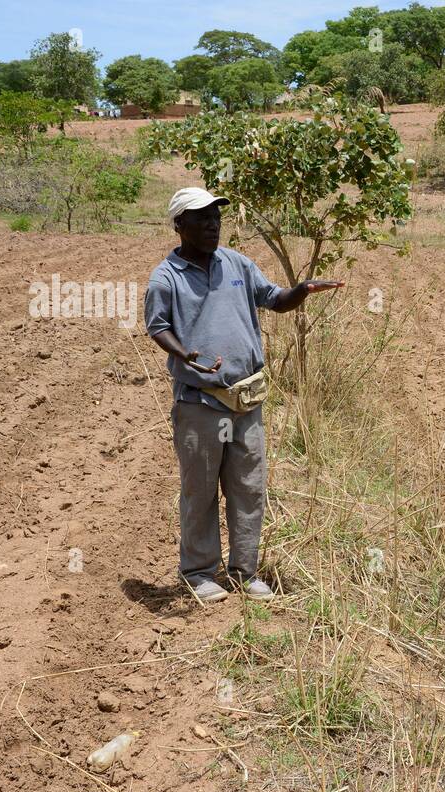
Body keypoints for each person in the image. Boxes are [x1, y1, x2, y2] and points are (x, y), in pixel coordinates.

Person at [143, 187, 342, 603]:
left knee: (248, 487)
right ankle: (199, 573)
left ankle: (244, 571)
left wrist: (301, 290)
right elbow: (157, 326)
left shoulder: (235, 263)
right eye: (202, 218)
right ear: (180, 225)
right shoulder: (167, 277)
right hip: (200, 403)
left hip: (246, 400)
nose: (213, 225)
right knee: (200, 490)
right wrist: (185, 356)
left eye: (217, 217)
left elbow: (273, 298)